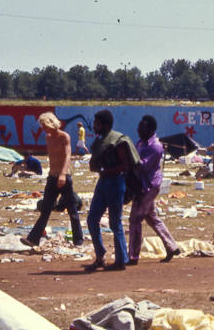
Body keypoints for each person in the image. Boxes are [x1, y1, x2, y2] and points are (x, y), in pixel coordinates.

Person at [85, 109, 138, 271]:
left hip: (116, 183)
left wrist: (106, 171)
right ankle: (100, 255)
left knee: (115, 222)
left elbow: (125, 165)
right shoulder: (100, 141)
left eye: (97, 123)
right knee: (92, 219)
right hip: (103, 182)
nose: (94, 126)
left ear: (105, 124)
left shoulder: (117, 141)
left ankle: (121, 260)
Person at [23, 112, 83, 249]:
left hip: (64, 178)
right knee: (46, 209)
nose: (44, 129)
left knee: (72, 210)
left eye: (45, 126)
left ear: (51, 124)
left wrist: (62, 174)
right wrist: (53, 174)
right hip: (52, 177)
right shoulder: (48, 137)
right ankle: (33, 239)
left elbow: (68, 156)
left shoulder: (64, 137)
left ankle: (78, 241)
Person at [127, 114, 180, 265]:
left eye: (141, 127)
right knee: (152, 218)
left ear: (149, 129)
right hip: (143, 185)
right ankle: (172, 246)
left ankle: (133, 256)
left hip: (147, 187)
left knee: (135, 219)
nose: (138, 129)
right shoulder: (141, 143)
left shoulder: (155, 146)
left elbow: (142, 166)